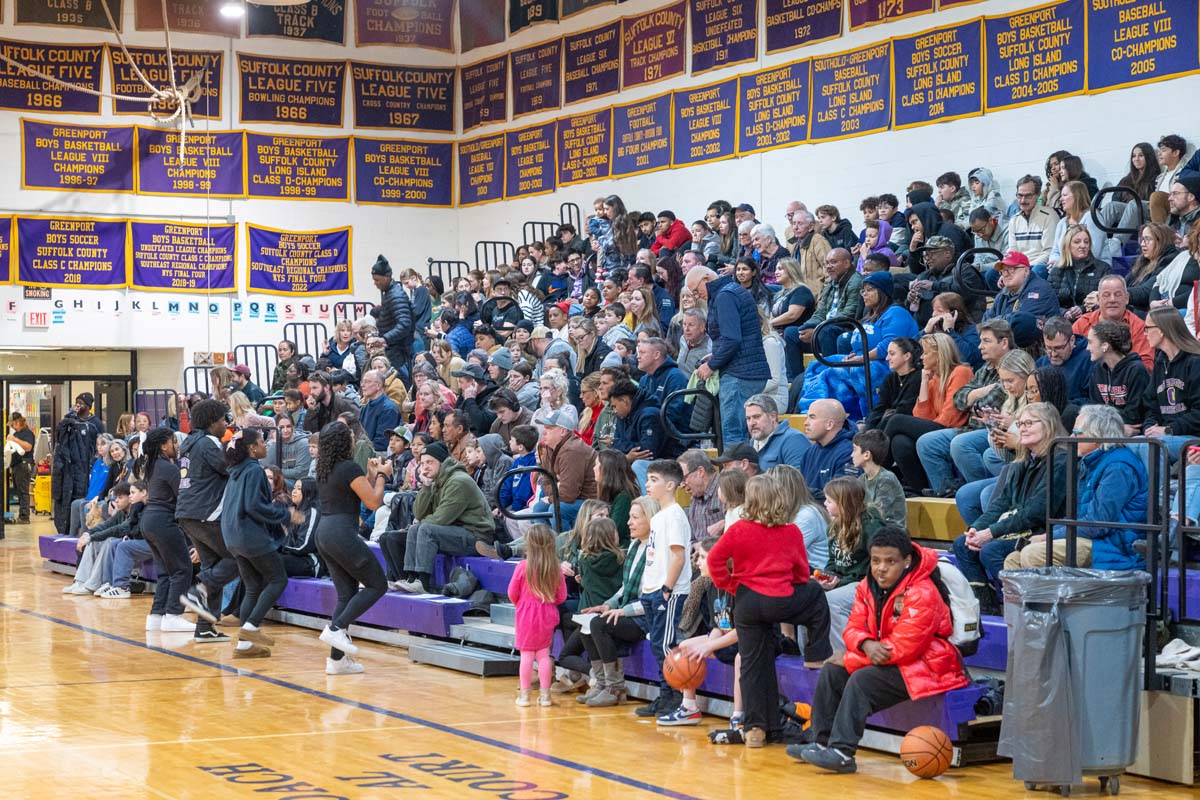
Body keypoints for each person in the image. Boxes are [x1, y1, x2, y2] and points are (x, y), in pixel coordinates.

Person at [791, 526, 969, 774]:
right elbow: (853, 626)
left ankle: (842, 752)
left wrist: (853, 658)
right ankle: (820, 744)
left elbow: (904, 648)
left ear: (906, 561)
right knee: (832, 670)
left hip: (928, 665)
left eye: (890, 561)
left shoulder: (922, 592)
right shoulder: (867, 586)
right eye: (875, 561)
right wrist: (865, 643)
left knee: (862, 679)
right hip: (892, 660)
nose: (881, 568)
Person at [707, 473, 832, 748]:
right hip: (782, 599)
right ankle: (816, 654)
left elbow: (714, 560)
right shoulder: (791, 531)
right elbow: (801, 573)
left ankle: (755, 729)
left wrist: (731, 586)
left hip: (748, 602)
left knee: (752, 664)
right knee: (815, 596)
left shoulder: (738, 529)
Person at [952, 402, 1067, 614]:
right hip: (1019, 528)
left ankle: (1030, 609)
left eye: (1029, 423)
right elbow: (1002, 503)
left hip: (1042, 533)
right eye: (1020, 423)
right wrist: (976, 528)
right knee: (962, 544)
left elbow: (1036, 511)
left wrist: (991, 532)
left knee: (991, 550)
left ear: (1049, 426)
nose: (1022, 427)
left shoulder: (1061, 461)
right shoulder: (1022, 462)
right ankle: (986, 609)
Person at [1007, 405, 1149, 570]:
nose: (1071, 437)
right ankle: (1029, 597)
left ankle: (1058, 597)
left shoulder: (1118, 467)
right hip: (1094, 539)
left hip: (1114, 545)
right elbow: (1081, 519)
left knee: (1034, 553)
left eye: (1077, 433)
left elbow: (1098, 524)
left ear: (1097, 436)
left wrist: (1049, 537)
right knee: (1013, 559)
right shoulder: (1091, 462)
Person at [214, 428, 299, 658]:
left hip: (232, 536)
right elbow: (254, 506)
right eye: (262, 442)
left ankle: (244, 647)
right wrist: (285, 515)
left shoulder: (235, 471)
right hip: (249, 536)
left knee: (252, 585)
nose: (266, 445)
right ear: (252, 448)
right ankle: (251, 628)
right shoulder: (254, 470)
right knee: (278, 579)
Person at [313, 421, 387, 674]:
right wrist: (382, 475)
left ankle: (336, 661)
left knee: (346, 594)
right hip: (341, 533)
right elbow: (374, 501)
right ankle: (336, 629)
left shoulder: (325, 468)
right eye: (350, 436)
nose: (354, 439)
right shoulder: (348, 467)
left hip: (324, 533)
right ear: (344, 442)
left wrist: (369, 475)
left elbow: (352, 492)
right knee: (378, 584)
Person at [577, 495, 656, 707]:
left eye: (634, 517)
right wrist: (609, 605)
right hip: (628, 609)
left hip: (646, 615)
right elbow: (625, 586)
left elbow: (652, 598)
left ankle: (615, 687)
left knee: (598, 624)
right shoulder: (634, 546)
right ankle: (602, 684)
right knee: (587, 622)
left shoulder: (656, 551)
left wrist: (624, 611)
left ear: (650, 519)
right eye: (629, 517)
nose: (628, 522)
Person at [685, 265, 770, 446]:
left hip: (740, 374)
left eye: (695, 290)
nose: (695, 295)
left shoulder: (724, 296)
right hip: (746, 370)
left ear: (706, 279)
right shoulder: (730, 292)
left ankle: (737, 474)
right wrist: (715, 355)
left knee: (733, 433)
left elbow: (732, 339)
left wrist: (712, 365)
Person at [664, 535, 742, 729]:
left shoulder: (738, 586)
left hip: (749, 640)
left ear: (717, 559)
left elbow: (741, 631)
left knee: (741, 657)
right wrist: (706, 646)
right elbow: (718, 625)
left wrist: (709, 646)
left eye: (702, 557)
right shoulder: (712, 587)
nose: (696, 562)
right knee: (685, 647)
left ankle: (739, 715)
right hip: (725, 638)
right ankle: (689, 708)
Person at [396, 441, 494, 594]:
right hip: (457, 531)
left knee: (426, 529)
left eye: (430, 462)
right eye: (422, 463)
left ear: (442, 462)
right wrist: (426, 487)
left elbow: (441, 519)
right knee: (416, 528)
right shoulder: (436, 481)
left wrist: (422, 521)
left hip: (476, 537)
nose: (425, 467)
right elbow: (419, 513)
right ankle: (411, 578)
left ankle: (423, 583)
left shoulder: (458, 481)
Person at [175, 400, 236, 643]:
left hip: (188, 512)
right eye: (223, 420)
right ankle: (197, 592)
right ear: (212, 422)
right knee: (239, 558)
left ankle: (205, 627)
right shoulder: (209, 443)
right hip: (206, 512)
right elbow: (229, 468)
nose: (226, 424)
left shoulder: (189, 443)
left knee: (214, 569)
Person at [815, 477, 886, 651]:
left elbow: (878, 567)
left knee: (830, 601)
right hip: (845, 581)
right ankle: (813, 653)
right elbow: (833, 560)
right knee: (809, 596)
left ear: (844, 503)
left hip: (867, 583)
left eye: (829, 501)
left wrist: (840, 582)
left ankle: (845, 653)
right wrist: (829, 576)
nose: (824, 503)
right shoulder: (835, 525)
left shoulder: (871, 527)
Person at [505, 523, 569, 708]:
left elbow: (512, 592)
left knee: (526, 655)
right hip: (547, 613)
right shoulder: (556, 568)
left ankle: (525, 697)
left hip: (526, 613)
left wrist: (521, 604)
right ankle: (545, 696)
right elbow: (562, 596)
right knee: (544, 655)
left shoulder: (523, 566)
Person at [138, 427, 194, 634]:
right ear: (163, 445)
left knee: (165, 572)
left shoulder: (152, 466)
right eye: (173, 442)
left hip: (149, 520)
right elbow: (184, 498)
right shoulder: (170, 469)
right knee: (182, 569)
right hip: (163, 521)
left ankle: (156, 615)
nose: (176, 446)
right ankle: (173, 615)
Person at [1139, 305, 1200, 462]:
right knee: (1125, 445)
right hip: (1168, 435)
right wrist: (1150, 428)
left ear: (1161, 330)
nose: (1144, 333)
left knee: (1150, 446)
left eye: (1147, 328)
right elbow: (1150, 406)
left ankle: (1159, 487)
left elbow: (1198, 413)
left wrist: (1168, 429)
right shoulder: (1160, 362)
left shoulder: (1195, 362)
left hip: (1192, 437)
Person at [533, 408, 598, 529]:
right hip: (574, 498)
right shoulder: (548, 448)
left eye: (549, 428)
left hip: (591, 501)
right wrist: (556, 487)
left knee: (557, 508)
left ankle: (566, 546)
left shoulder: (572, 450)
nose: (544, 432)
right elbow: (546, 482)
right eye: (544, 427)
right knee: (539, 508)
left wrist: (553, 495)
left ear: (563, 431)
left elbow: (568, 494)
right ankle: (545, 545)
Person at [52, 392, 103, 535]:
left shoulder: (95, 424)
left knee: (79, 498)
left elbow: (99, 444)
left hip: (85, 467)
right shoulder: (69, 421)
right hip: (69, 468)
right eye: (77, 402)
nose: (78, 406)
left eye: (81, 403)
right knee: (65, 501)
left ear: (88, 406)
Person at [1087, 320, 1151, 432]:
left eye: (1090, 342)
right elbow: (1094, 411)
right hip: (1108, 430)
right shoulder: (1097, 370)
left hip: (1135, 434)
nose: (1087, 348)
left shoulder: (1136, 370)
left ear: (1105, 346)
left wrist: (1105, 423)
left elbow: (1134, 416)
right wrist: (1115, 426)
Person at [799, 399, 856, 500]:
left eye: (812, 417)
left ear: (829, 424)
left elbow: (840, 498)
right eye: (807, 417)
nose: (805, 423)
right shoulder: (809, 452)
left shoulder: (849, 454)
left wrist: (800, 494)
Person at [1049, 225, 1110, 318]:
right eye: (1077, 242)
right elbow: (1049, 301)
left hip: (1092, 319)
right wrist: (1065, 312)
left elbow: (1107, 300)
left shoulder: (1103, 268)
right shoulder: (1057, 271)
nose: (1083, 245)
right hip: (1062, 321)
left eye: (1086, 242)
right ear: (1067, 245)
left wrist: (1082, 309)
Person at [1127, 222, 1188, 314]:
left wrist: (1118, 295)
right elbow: (1123, 284)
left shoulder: (1170, 261)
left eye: (1147, 239)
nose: (1143, 244)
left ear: (1162, 241)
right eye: (1142, 239)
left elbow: (1146, 292)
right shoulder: (1142, 262)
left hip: (1150, 313)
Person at [863, 338, 921, 432]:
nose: (887, 358)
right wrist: (870, 430)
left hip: (907, 425)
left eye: (892, 354)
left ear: (907, 356)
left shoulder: (919, 377)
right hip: (889, 424)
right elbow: (880, 408)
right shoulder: (890, 378)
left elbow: (905, 410)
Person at [369, 255, 416, 373]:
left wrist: (385, 339)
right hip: (395, 349)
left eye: (377, 280)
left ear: (387, 277)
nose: (375, 284)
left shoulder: (396, 295)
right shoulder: (391, 293)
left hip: (399, 352)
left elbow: (404, 324)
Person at [984, 251, 1060, 322]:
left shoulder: (1039, 291)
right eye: (1003, 270)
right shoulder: (1004, 293)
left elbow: (1019, 323)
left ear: (1026, 271)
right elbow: (986, 320)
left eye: (1011, 269)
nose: (1006, 274)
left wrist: (993, 324)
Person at [851, 430, 906, 528]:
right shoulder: (861, 479)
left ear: (866, 455)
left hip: (891, 534)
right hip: (871, 529)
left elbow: (877, 513)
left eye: (855, 450)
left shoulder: (887, 479)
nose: (852, 455)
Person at [1008, 174, 1060, 269]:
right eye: (1020, 195)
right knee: (992, 274)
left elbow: (1049, 251)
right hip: (1019, 267)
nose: (1023, 200)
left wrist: (1027, 267)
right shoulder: (1014, 220)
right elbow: (1012, 251)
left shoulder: (1049, 215)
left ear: (1037, 195)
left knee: (1038, 270)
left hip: (1038, 266)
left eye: (1028, 196)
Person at [745, 393, 809, 470]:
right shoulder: (752, 443)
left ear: (773, 416)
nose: (752, 423)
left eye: (757, 417)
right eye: (748, 418)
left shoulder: (793, 440)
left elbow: (797, 479)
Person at [357, 369, 400, 451]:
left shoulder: (388, 409)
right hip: (365, 449)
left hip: (379, 453)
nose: (363, 385)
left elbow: (382, 442)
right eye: (362, 382)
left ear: (378, 385)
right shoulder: (365, 408)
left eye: (367, 382)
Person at [264, 415, 311, 482]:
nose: (285, 430)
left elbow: (300, 473)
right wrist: (275, 442)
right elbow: (266, 465)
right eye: (281, 427)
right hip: (277, 479)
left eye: (288, 426)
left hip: (297, 483)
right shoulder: (273, 442)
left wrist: (276, 472)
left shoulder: (303, 443)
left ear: (293, 427)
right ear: (276, 428)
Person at [6, 413, 35, 524]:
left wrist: (14, 439)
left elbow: (28, 447)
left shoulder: (27, 434)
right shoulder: (17, 434)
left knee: (23, 491)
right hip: (17, 466)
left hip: (24, 465)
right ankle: (22, 514)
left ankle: (24, 517)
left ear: (18, 422)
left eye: (13, 424)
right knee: (19, 491)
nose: (12, 427)